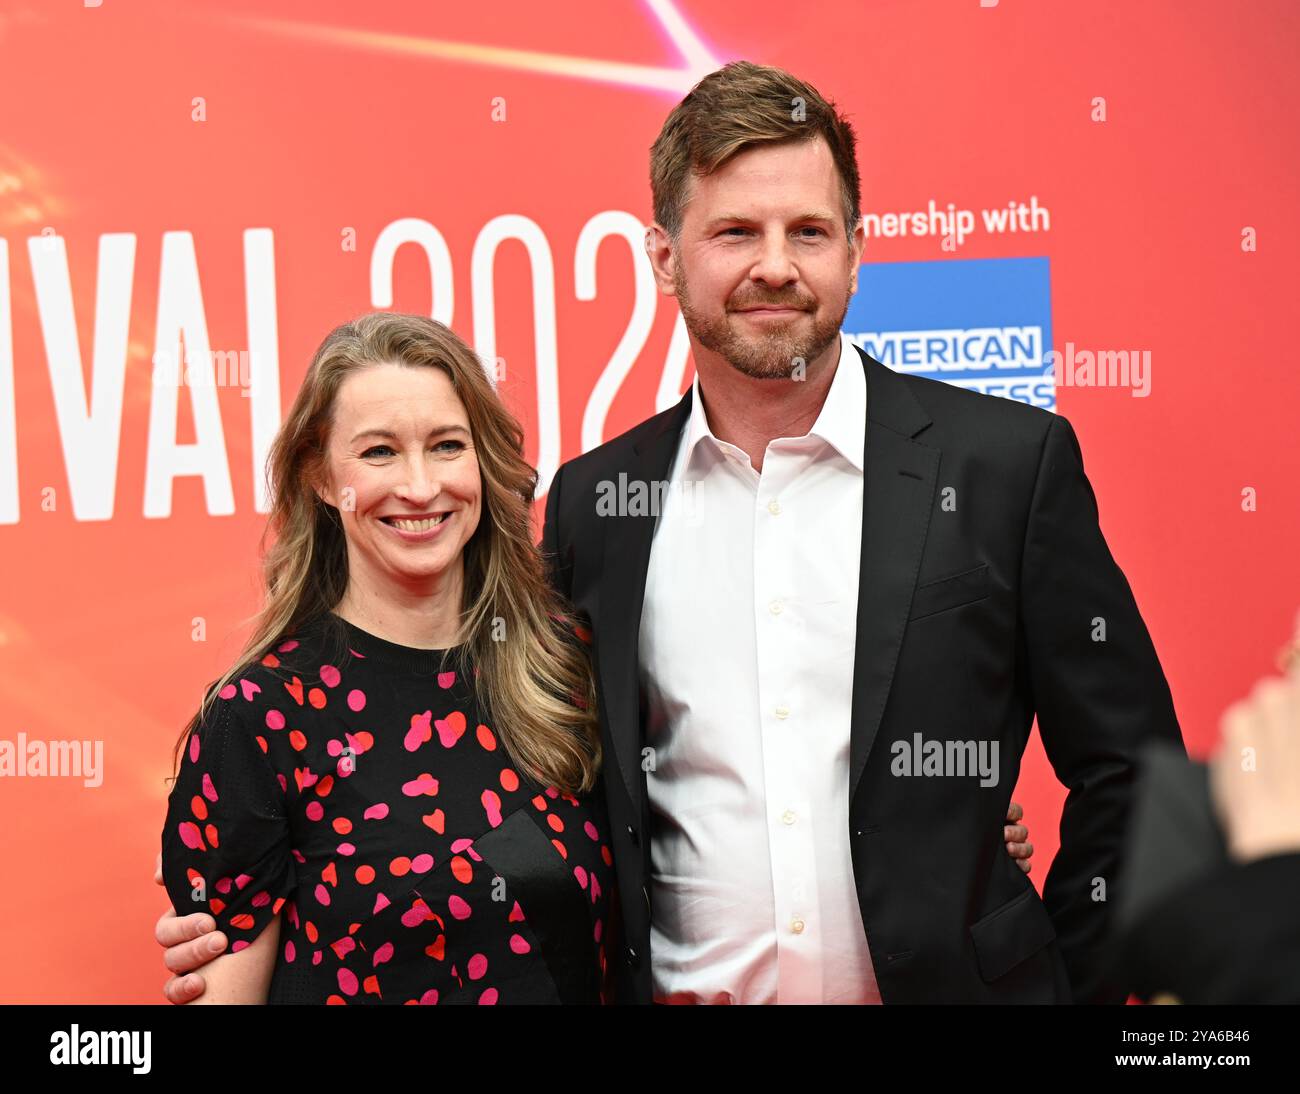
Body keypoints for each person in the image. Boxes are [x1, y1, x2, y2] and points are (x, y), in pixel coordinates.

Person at [538, 60, 1183, 1004]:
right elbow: (574, 798)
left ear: (855, 249)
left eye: (809, 230)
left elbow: (1136, 772)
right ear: (666, 258)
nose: (776, 265)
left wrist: (1058, 985)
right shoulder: (597, 503)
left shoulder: (1004, 467)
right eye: (734, 232)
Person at [159, 312, 611, 1003]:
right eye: (378, 453)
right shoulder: (258, 718)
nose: (421, 486)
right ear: (317, 476)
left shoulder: (563, 667)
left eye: (447, 446)